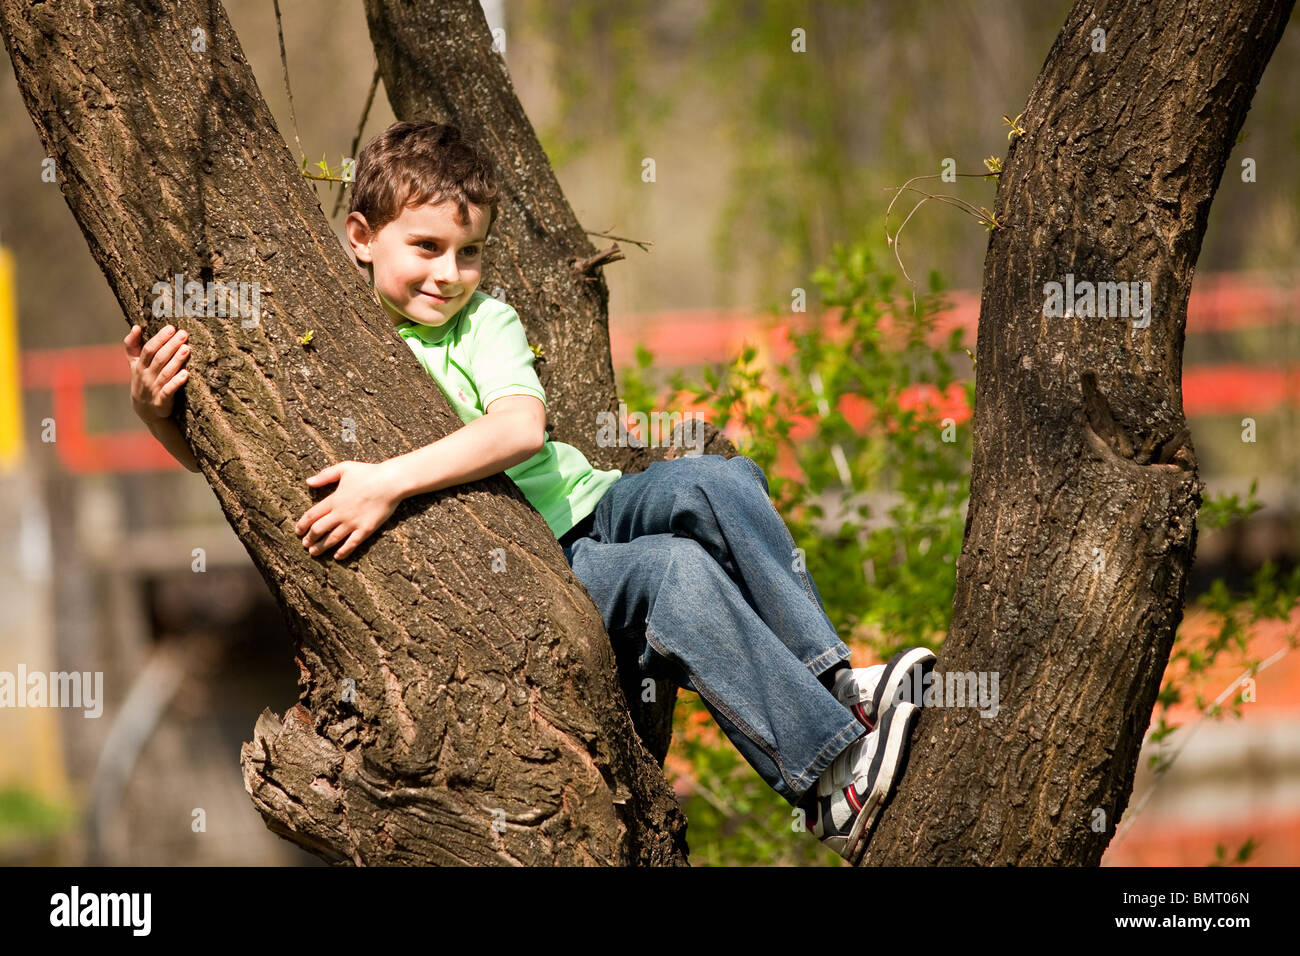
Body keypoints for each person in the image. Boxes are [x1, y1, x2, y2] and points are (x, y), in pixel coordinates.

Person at [124, 119, 936, 863]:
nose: (450, 274)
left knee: (715, 481)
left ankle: (836, 685)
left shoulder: (485, 323)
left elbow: (519, 432)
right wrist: (158, 414)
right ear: (361, 238)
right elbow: (243, 465)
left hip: (590, 504)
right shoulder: (334, 347)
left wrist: (386, 483)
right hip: (540, 562)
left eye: (469, 252)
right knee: (674, 574)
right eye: (427, 247)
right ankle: (832, 784)